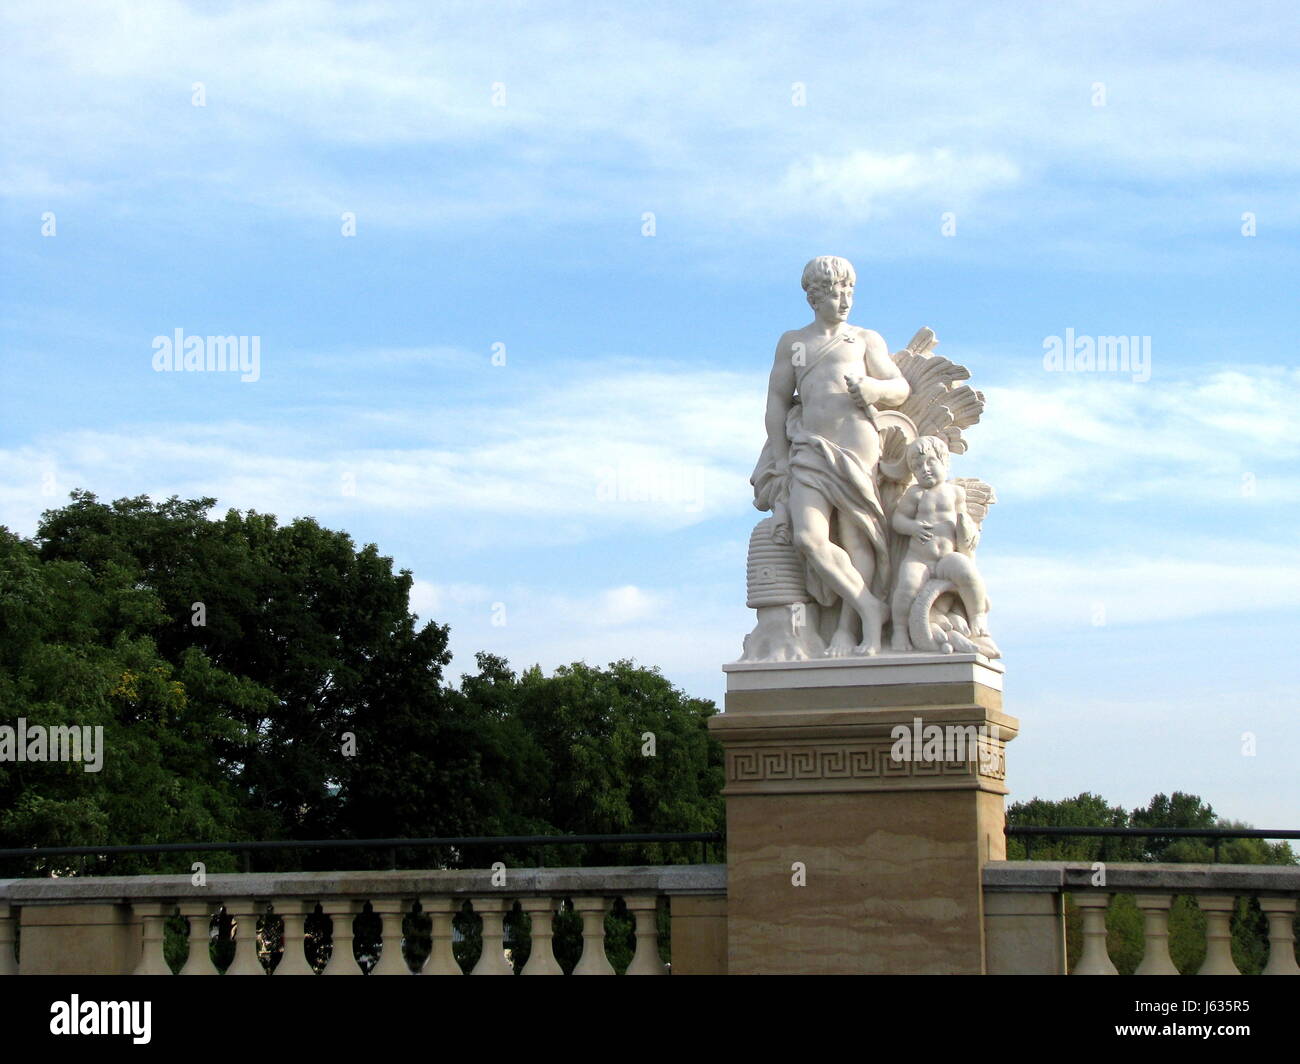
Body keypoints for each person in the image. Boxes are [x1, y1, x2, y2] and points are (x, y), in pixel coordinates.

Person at [753, 256, 910, 656]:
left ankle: (849, 627)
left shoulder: (864, 339)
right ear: (813, 297)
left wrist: (875, 390)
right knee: (810, 537)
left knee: (857, 536)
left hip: (858, 445)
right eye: (834, 292)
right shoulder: (794, 342)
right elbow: (776, 401)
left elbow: (899, 386)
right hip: (810, 448)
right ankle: (870, 605)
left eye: (849, 291)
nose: (844, 300)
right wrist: (781, 458)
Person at [888, 436, 990, 651]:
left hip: (946, 557)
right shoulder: (915, 493)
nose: (924, 469)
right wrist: (912, 527)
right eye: (917, 467)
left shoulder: (955, 493)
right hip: (920, 558)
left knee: (968, 574)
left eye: (930, 462)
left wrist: (967, 531)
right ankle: (899, 630)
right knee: (906, 587)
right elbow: (898, 520)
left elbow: (964, 522)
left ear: (944, 462)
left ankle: (977, 617)